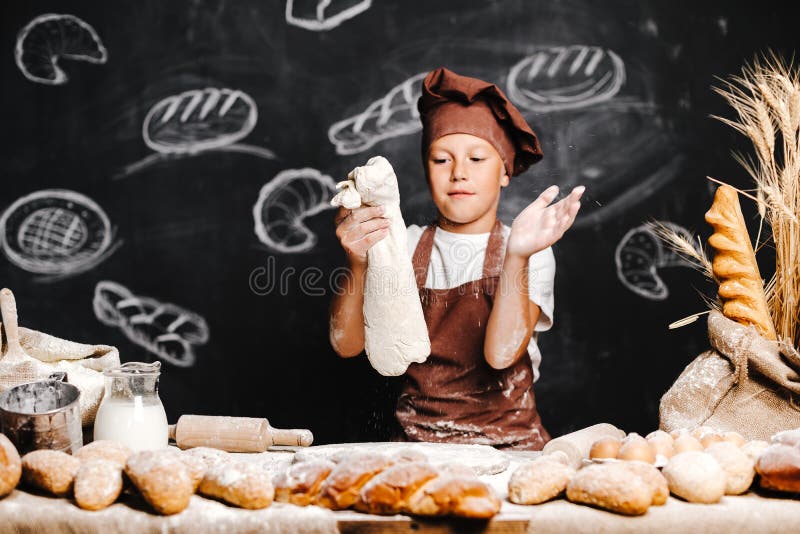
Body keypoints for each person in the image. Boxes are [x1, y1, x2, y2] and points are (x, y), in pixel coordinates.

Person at [329, 67, 584, 450]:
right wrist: (358, 263)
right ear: (426, 171)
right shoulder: (402, 244)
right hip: (416, 448)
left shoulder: (531, 249)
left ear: (505, 171)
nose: (459, 174)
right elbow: (345, 345)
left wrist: (516, 257)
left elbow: (501, 355)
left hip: (511, 448)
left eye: (477, 159)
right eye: (441, 160)